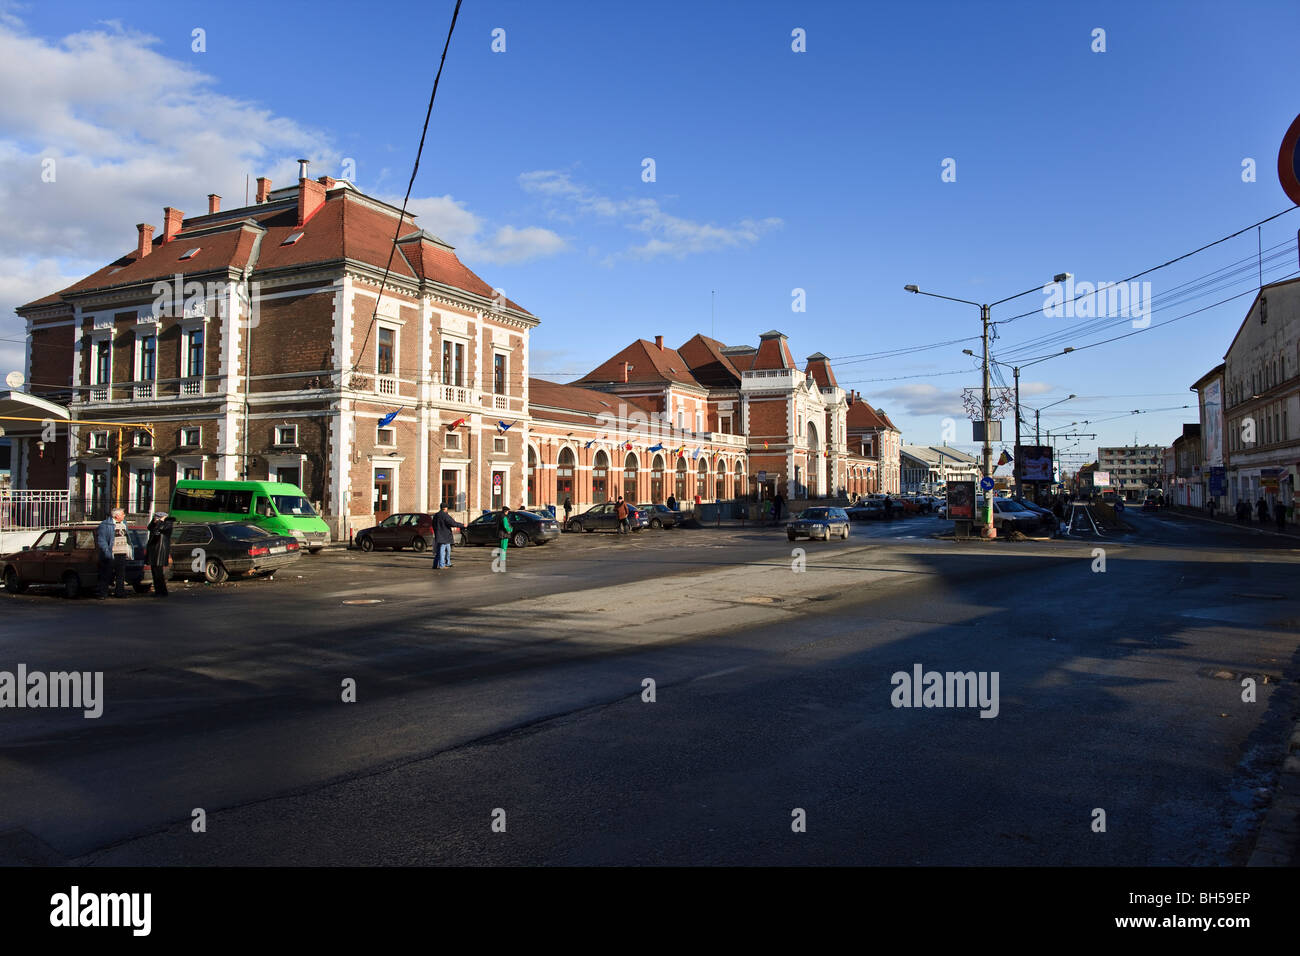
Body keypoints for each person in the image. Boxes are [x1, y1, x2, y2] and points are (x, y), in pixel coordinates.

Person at [96, 507, 130, 598]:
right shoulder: (105, 524)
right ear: (116, 516)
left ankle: (120, 592)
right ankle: (103, 593)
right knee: (106, 574)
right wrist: (107, 552)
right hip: (111, 553)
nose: (124, 515)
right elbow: (101, 540)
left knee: (121, 575)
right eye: (123, 514)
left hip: (122, 553)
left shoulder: (124, 523)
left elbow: (128, 537)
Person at [145, 511, 174, 597]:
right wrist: (153, 521)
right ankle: (158, 591)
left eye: (157, 517)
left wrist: (161, 521)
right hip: (154, 550)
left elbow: (158, 529)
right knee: (154, 571)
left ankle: (162, 591)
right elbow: (150, 528)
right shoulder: (156, 523)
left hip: (160, 550)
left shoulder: (167, 524)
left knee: (159, 573)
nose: (156, 519)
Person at [432, 502, 464, 570]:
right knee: (442, 550)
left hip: (439, 535)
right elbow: (452, 523)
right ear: (445, 508)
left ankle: (442, 564)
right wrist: (462, 525)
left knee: (443, 550)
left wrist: (436, 532)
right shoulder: (445, 515)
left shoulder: (436, 515)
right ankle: (442, 565)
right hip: (445, 536)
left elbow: (433, 524)